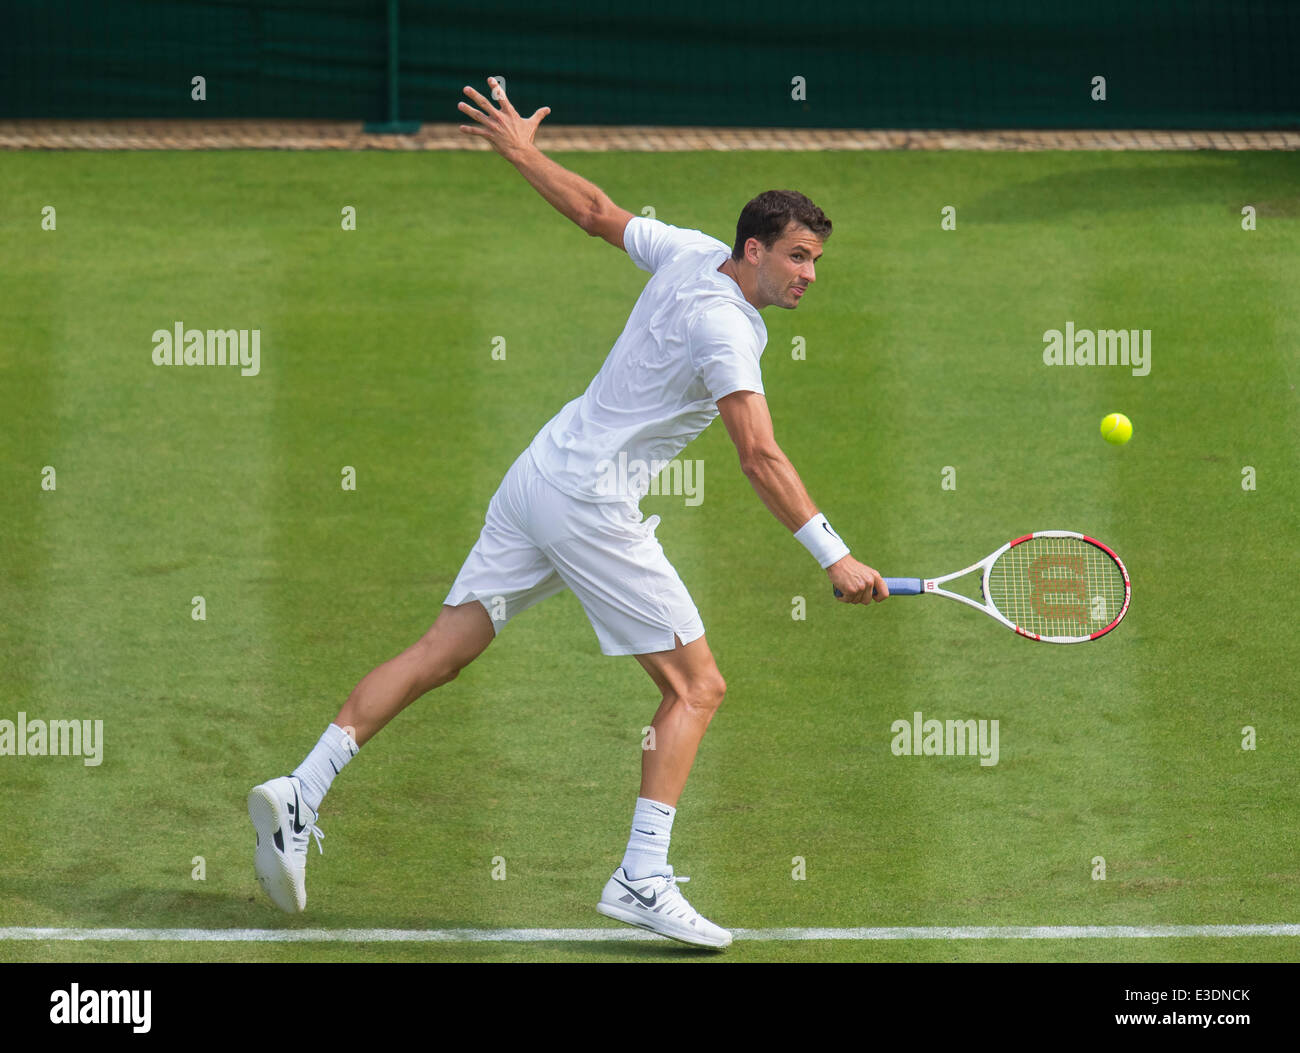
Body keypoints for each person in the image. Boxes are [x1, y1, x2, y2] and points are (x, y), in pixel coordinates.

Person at [248, 77, 888, 950]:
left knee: (444, 650)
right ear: (754, 248)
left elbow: (596, 210)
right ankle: (643, 876)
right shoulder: (728, 332)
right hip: (589, 504)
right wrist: (834, 554)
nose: (810, 275)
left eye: (815, 259)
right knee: (696, 686)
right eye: (798, 256)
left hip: (541, 474)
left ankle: (302, 789)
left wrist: (523, 153)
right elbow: (759, 455)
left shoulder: (691, 250)